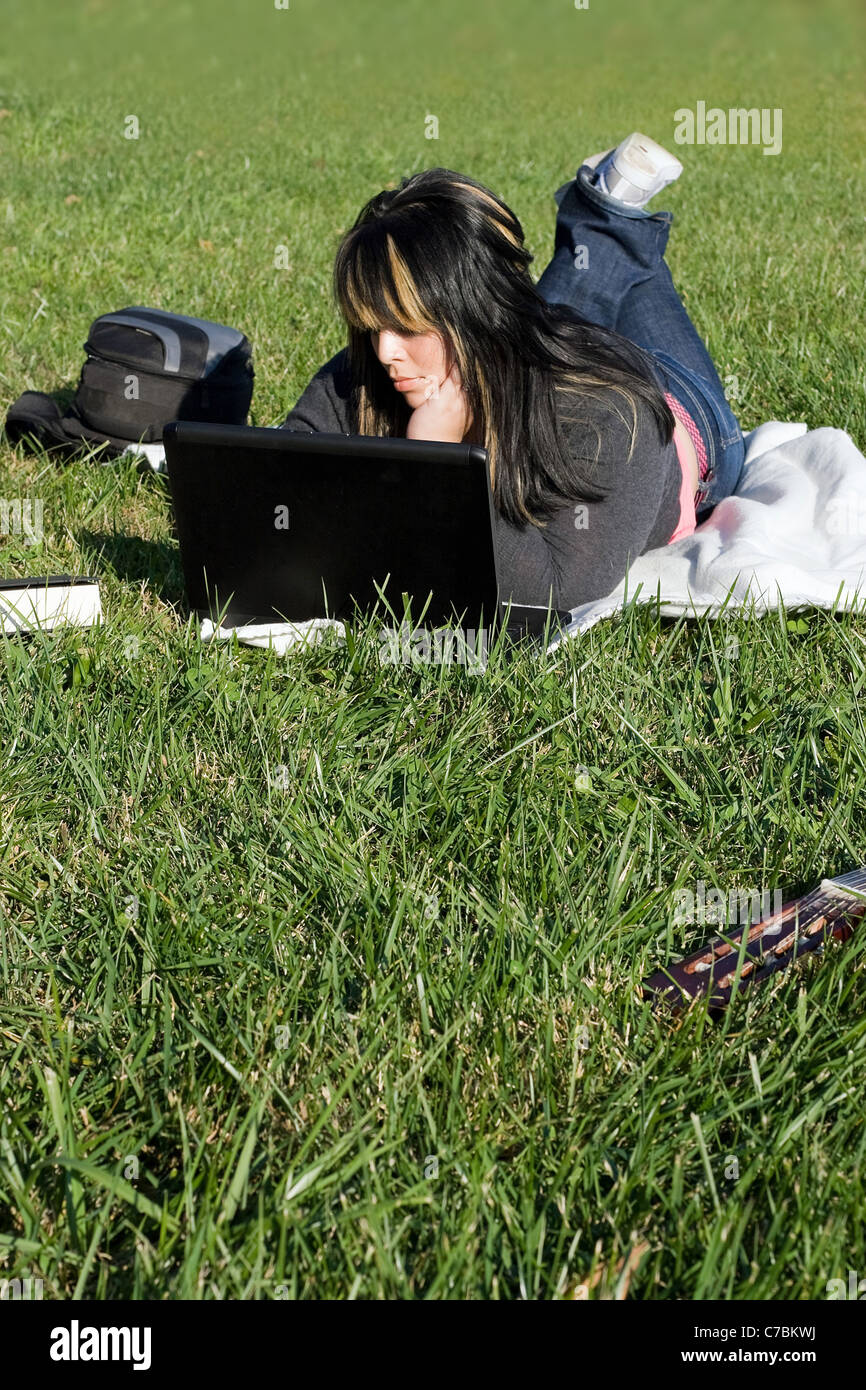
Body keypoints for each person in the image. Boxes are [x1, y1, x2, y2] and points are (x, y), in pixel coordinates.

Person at [281, 132, 745, 610]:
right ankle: (608, 215)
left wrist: (434, 466)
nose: (384, 351)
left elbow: (553, 595)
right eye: (371, 325)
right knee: (565, 298)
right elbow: (283, 477)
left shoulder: (612, 416)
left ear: (473, 316)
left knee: (561, 312)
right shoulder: (383, 366)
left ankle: (606, 217)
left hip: (685, 414)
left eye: (405, 326)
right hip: (534, 342)